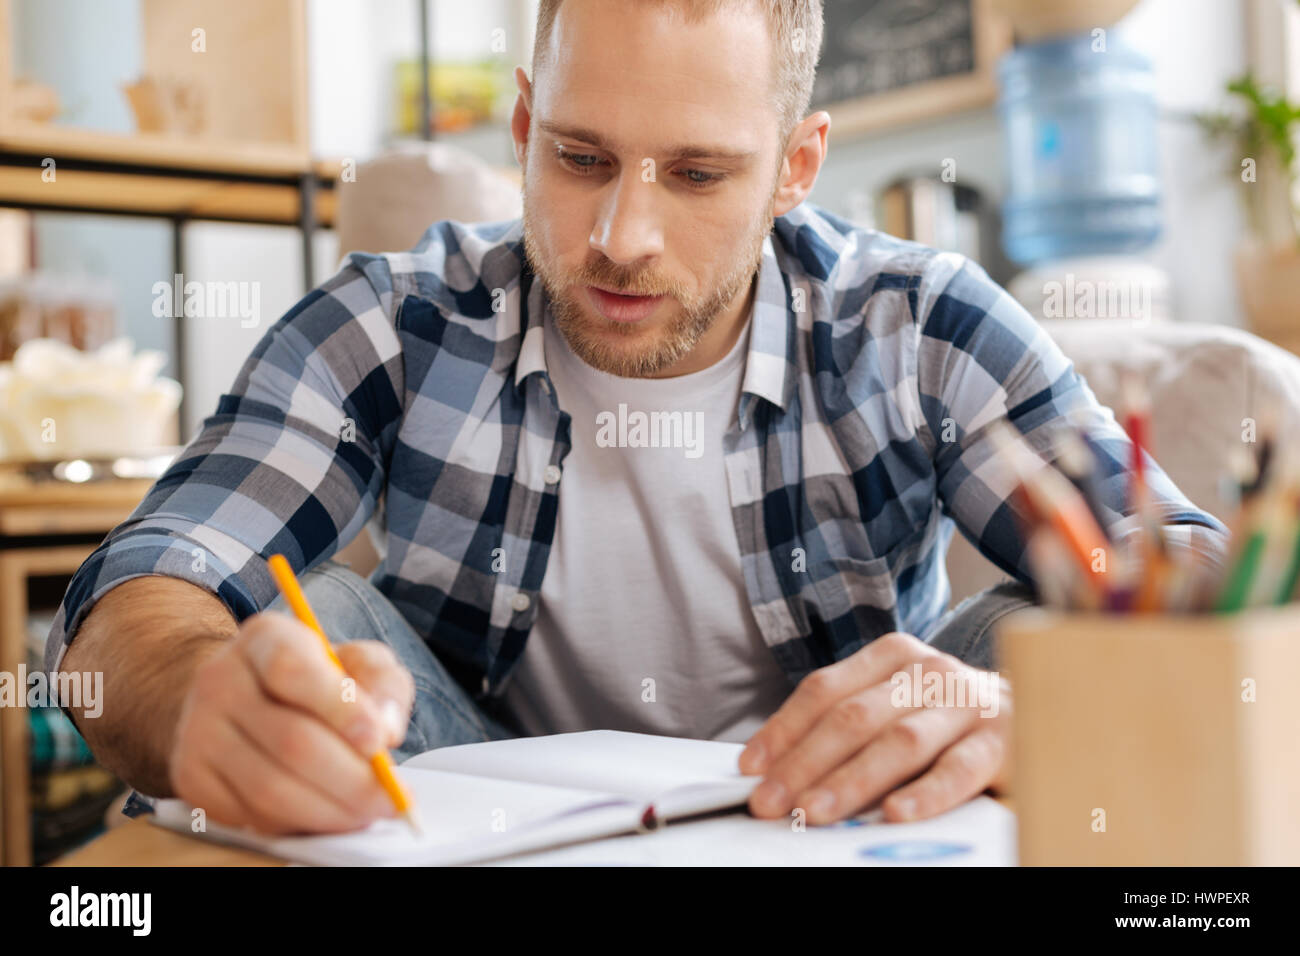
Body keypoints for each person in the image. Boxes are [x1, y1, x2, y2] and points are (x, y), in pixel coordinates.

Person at [47, 0, 1226, 836]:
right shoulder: (394, 318)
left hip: (842, 818)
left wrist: (1041, 708)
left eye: (700, 174)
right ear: (521, 126)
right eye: (578, 156)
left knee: (1023, 636)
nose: (622, 235)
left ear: (794, 166)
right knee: (327, 619)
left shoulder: (920, 324)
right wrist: (201, 694)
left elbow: (1189, 579)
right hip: (480, 810)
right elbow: (142, 587)